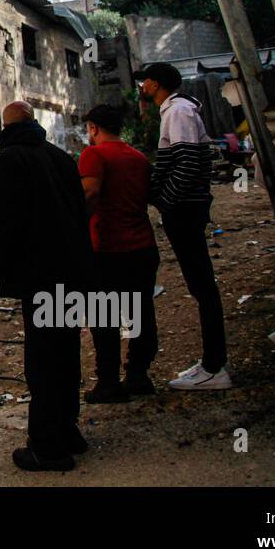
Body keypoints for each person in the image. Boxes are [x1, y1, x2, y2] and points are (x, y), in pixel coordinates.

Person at [0, 100, 97, 472]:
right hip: (72, 270)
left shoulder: (9, 161)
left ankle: (47, 448)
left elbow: (9, 221)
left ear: (5, 128)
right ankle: (67, 431)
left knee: (43, 361)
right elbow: (80, 212)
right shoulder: (62, 157)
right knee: (65, 353)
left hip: (40, 275)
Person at [137, 62, 231, 390]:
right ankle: (212, 362)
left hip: (185, 209)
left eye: (145, 81)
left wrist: (165, 201)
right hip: (185, 207)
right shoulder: (174, 111)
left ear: (156, 83)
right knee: (200, 285)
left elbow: (188, 163)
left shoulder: (178, 113)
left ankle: (215, 366)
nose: (142, 87)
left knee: (202, 285)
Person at [77, 104, 159, 402]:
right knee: (141, 311)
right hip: (143, 247)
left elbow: (90, 193)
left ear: (94, 128)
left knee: (103, 316)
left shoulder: (94, 155)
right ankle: (138, 375)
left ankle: (109, 382)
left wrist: (75, 230)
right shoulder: (138, 157)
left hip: (108, 249)